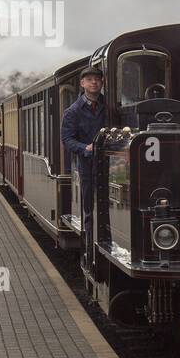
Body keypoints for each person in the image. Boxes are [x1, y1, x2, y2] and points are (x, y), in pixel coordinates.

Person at [60, 65, 106, 245]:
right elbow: (67, 139)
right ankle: (89, 242)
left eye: (97, 79)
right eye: (90, 79)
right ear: (82, 84)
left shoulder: (109, 106)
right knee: (89, 205)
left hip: (112, 164)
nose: (94, 82)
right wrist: (84, 148)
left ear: (102, 82)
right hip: (87, 164)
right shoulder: (73, 111)